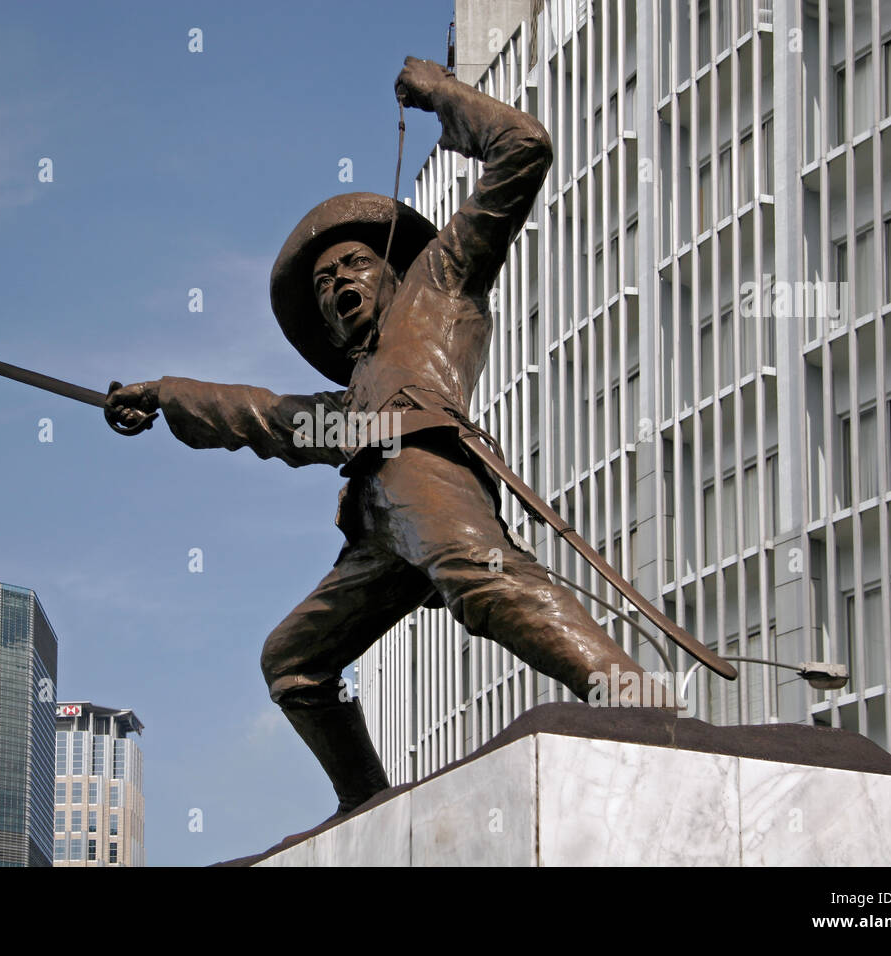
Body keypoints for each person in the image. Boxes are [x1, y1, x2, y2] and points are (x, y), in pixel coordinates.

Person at [106, 56, 666, 821]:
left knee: (482, 577)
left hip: (425, 468)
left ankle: (635, 706)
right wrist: (166, 395)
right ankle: (366, 806)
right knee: (293, 660)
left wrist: (440, 96)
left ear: (393, 271)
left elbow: (525, 147)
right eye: (325, 284)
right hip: (376, 527)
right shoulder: (345, 407)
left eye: (355, 266)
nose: (339, 284)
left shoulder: (440, 286)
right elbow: (262, 415)